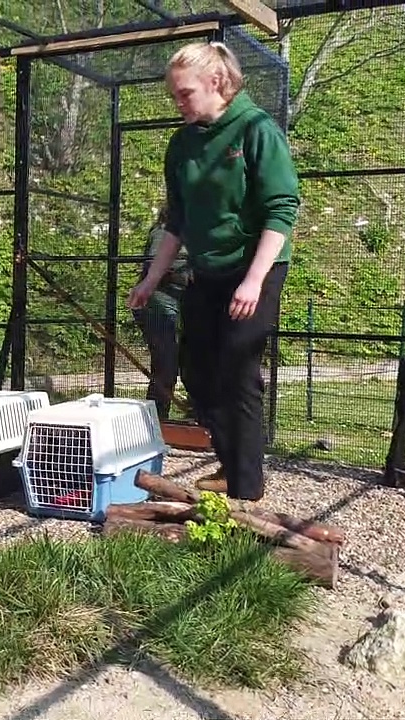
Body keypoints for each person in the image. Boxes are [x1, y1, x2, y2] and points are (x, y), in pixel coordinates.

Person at [126, 40, 300, 505]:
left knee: (239, 370)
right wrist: (150, 279)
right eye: (175, 95)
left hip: (255, 267)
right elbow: (177, 223)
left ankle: (247, 489)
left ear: (218, 83)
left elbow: (281, 209)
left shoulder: (255, 129)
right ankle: (230, 458)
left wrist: (254, 280)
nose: (178, 102)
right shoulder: (182, 144)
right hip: (207, 270)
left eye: (185, 93)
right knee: (197, 371)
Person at [132, 206, 188, 421]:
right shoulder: (164, 233)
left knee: (187, 360)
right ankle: (156, 418)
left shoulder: (192, 236)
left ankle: (187, 415)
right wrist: (185, 279)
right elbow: (154, 267)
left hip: (178, 306)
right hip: (157, 305)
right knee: (166, 363)